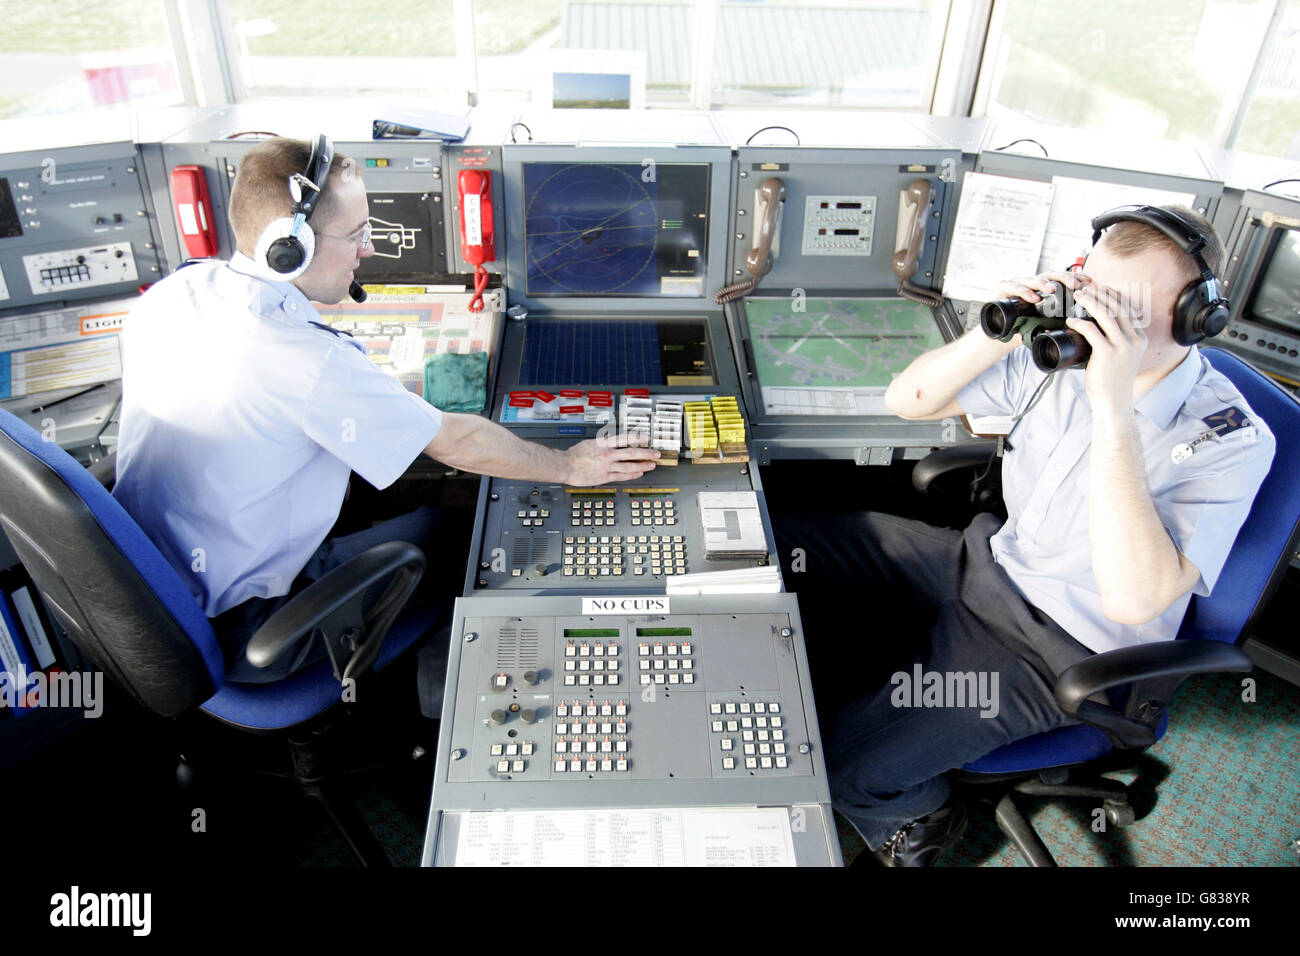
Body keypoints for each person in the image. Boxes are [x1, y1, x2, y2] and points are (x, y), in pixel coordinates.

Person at [774, 205, 1275, 866]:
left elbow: (1132, 601)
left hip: (1059, 651)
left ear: (1194, 318)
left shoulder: (1227, 440)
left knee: (839, 767)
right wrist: (1000, 326)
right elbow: (910, 399)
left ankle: (919, 816)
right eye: (1093, 297)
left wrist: (1113, 407)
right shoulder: (1060, 359)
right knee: (773, 553)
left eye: (1124, 311)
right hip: (980, 567)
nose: (1093, 325)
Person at [113, 136, 658, 683]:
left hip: (142, 590)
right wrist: (569, 466)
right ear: (290, 248)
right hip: (243, 626)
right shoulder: (305, 361)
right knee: (459, 533)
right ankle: (433, 699)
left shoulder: (171, 294)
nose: (368, 250)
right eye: (356, 234)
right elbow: (455, 442)